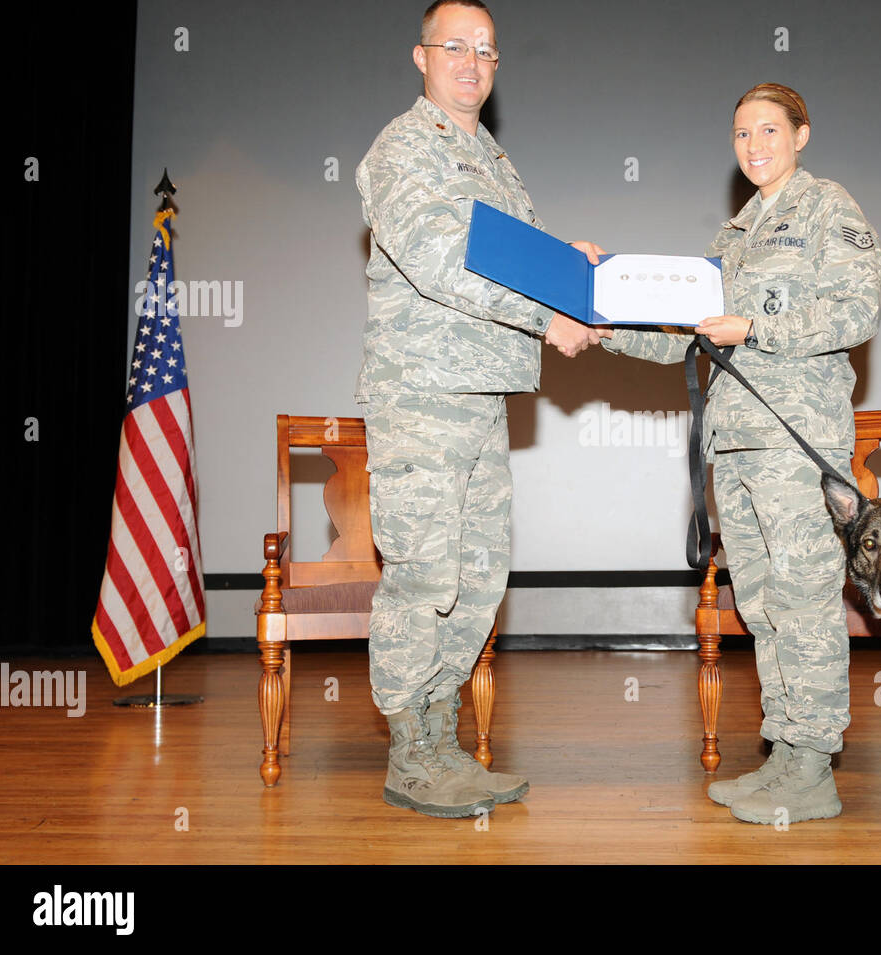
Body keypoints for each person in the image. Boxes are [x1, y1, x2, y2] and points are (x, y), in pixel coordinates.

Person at [602, 82, 881, 824]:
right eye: (741, 135)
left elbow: (859, 310)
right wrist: (598, 308)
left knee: (805, 600)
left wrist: (756, 326)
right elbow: (683, 332)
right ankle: (783, 755)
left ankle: (816, 767)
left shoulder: (828, 208)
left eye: (769, 130)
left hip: (798, 444)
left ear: (802, 133)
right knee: (761, 606)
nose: (755, 146)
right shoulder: (733, 239)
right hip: (739, 446)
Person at [354, 0, 602, 818]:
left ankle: (442, 738)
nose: (472, 61)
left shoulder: (492, 159)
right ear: (420, 57)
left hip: (482, 396)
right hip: (422, 396)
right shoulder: (403, 150)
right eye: (455, 47)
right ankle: (410, 753)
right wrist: (549, 315)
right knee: (423, 577)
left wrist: (573, 268)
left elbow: (519, 259)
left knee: (477, 579)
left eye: (487, 50)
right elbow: (439, 262)